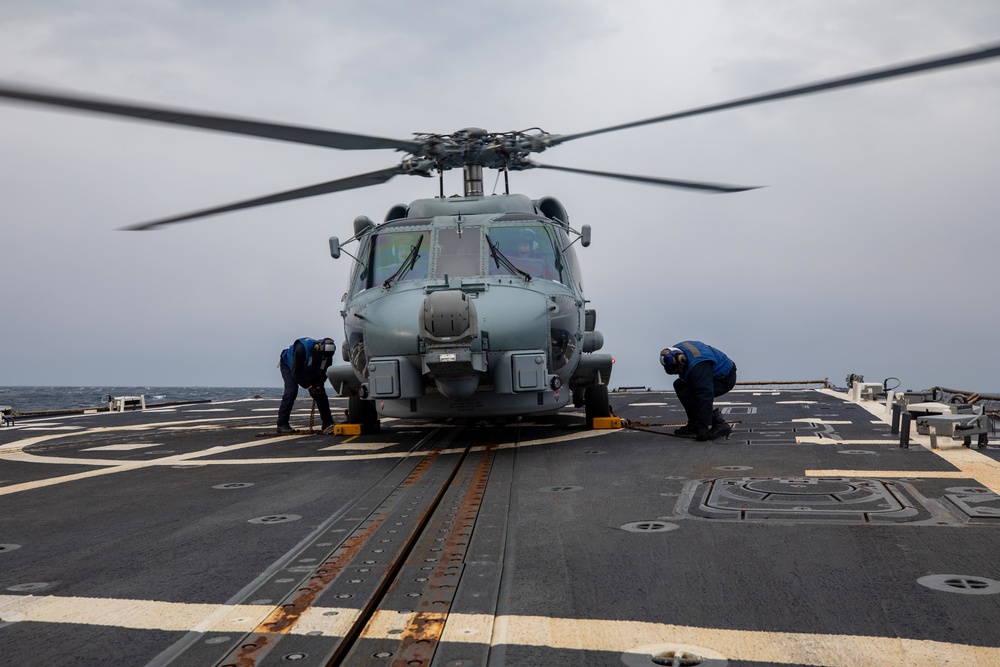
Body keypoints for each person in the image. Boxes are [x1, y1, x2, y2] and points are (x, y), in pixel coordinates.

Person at [660, 341, 737, 441]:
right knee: (678, 384)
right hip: (707, 371)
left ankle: (719, 424)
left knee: (689, 395)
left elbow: (705, 394)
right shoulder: (677, 351)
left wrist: (704, 426)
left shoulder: (699, 365)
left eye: (679, 370)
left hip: (724, 378)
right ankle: (694, 423)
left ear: (682, 360)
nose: (679, 373)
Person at [277, 337, 337, 434]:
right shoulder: (302, 349)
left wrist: (317, 387)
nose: (324, 358)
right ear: (317, 348)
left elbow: (324, 373)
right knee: (291, 391)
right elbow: (296, 373)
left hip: (309, 368)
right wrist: (309, 387)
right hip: (290, 366)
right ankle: (282, 424)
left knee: (320, 392)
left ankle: (327, 422)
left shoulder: (327, 356)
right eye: (323, 356)